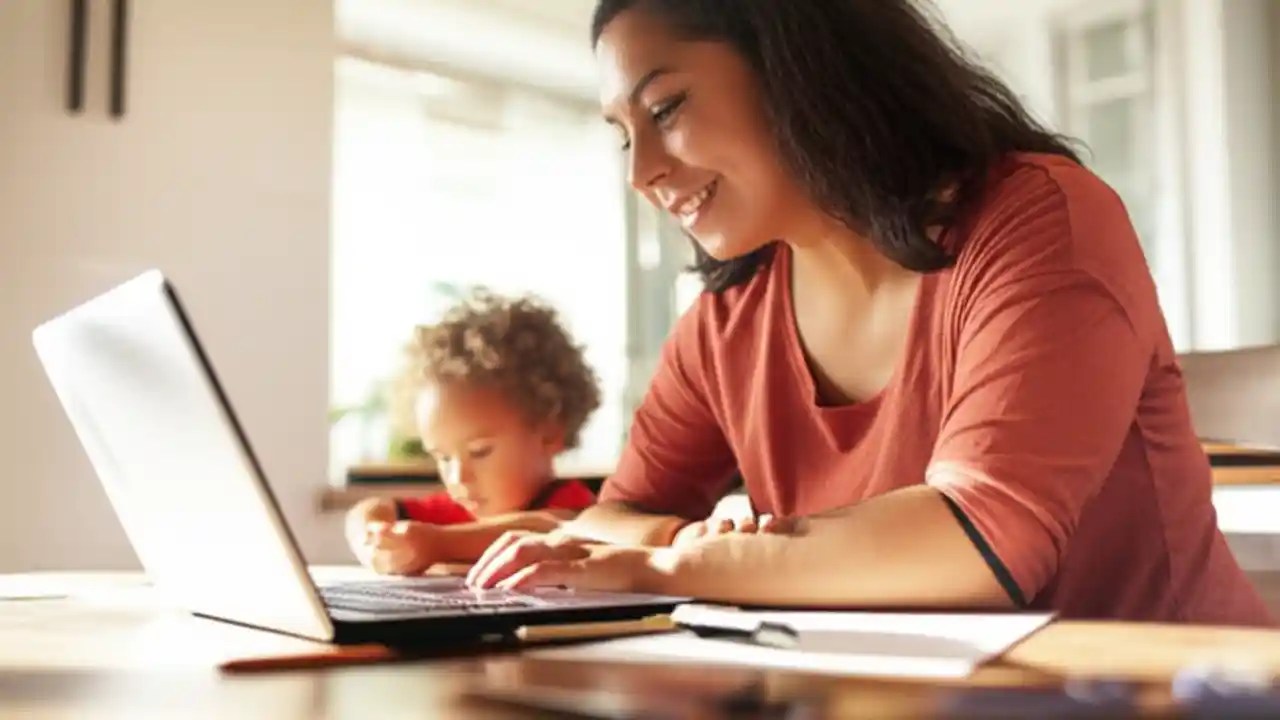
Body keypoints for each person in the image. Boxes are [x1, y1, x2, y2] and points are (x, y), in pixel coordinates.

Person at [465, 0, 1274, 626]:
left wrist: (666, 567)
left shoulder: (1040, 220)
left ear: (794, 64)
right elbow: (618, 514)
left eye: (667, 108)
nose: (642, 171)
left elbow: (979, 542)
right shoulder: (727, 318)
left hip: (1167, 690)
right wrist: (679, 545)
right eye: (622, 134)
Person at [346, 291, 601, 575]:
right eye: (443, 457)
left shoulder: (574, 507)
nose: (458, 478)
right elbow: (374, 509)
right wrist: (372, 535)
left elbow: (548, 529)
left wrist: (437, 544)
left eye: (480, 452)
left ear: (549, 433)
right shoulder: (456, 511)